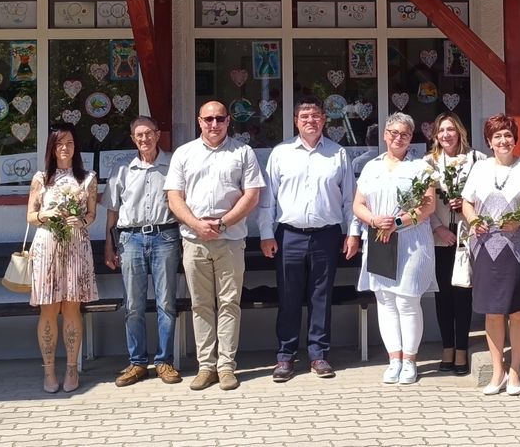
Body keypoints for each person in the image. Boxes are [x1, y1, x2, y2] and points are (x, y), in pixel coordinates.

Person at [165, 100, 265, 392]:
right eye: (208, 118)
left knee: (229, 304)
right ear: (199, 121)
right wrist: (197, 224)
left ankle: (226, 367)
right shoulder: (184, 154)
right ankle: (205, 366)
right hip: (194, 240)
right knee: (201, 305)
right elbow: (174, 197)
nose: (214, 124)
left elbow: (252, 196)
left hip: (230, 239)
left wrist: (222, 224)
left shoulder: (243, 153)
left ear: (228, 120)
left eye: (219, 118)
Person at [259, 98, 359, 382]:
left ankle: (318, 354)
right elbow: (267, 200)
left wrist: (353, 233)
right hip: (288, 235)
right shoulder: (281, 154)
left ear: (324, 120)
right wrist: (266, 233)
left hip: (327, 236)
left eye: (315, 116)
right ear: (295, 121)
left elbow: (350, 199)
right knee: (288, 297)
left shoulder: (338, 154)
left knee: (321, 297)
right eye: (304, 116)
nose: (310, 121)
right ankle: (286, 357)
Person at [460, 114, 520, 396]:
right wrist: (474, 220)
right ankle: (497, 370)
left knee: (518, 311)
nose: (503, 141)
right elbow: (467, 202)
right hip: (486, 248)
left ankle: (516, 369)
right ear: (489, 142)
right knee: (493, 312)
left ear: (515, 139)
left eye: (508, 135)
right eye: (497, 136)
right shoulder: (480, 169)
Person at [352, 112, 438, 385]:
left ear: (411, 138)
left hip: (411, 240)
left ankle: (411, 360)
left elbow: (428, 205)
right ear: (385, 135)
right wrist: (374, 220)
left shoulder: (421, 167)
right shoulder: (371, 166)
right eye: (393, 133)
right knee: (386, 300)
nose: (398, 138)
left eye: (404, 134)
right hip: (379, 239)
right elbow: (357, 205)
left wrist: (397, 222)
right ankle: (394, 359)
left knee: (407, 300)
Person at [103, 115, 180, 387]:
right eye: (139, 135)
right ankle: (137, 363)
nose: (144, 139)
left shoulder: (173, 164)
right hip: (131, 239)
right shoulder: (122, 168)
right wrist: (109, 243)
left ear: (158, 134)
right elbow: (113, 209)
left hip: (165, 236)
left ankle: (164, 361)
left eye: (149, 133)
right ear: (133, 139)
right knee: (133, 304)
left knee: (166, 303)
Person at [25, 123, 98, 394]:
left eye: (68, 142)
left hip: (76, 246)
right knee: (48, 309)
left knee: (71, 308)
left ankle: (71, 368)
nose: (64, 148)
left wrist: (81, 220)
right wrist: (47, 215)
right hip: (47, 247)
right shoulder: (41, 178)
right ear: (51, 148)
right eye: (59, 144)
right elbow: (30, 216)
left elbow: (92, 214)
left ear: (75, 146)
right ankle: (48, 370)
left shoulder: (87, 178)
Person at [425, 112, 486, 376]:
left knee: (463, 293)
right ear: (435, 135)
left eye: (451, 129)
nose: (446, 135)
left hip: (466, 236)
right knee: (443, 296)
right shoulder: (428, 163)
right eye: (441, 131)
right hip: (439, 237)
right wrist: (438, 227)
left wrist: (467, 203)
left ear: (459, 131)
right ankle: (447, 347)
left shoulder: (478, 160)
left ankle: (462, 347)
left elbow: (487, 195)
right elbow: (421, 203)